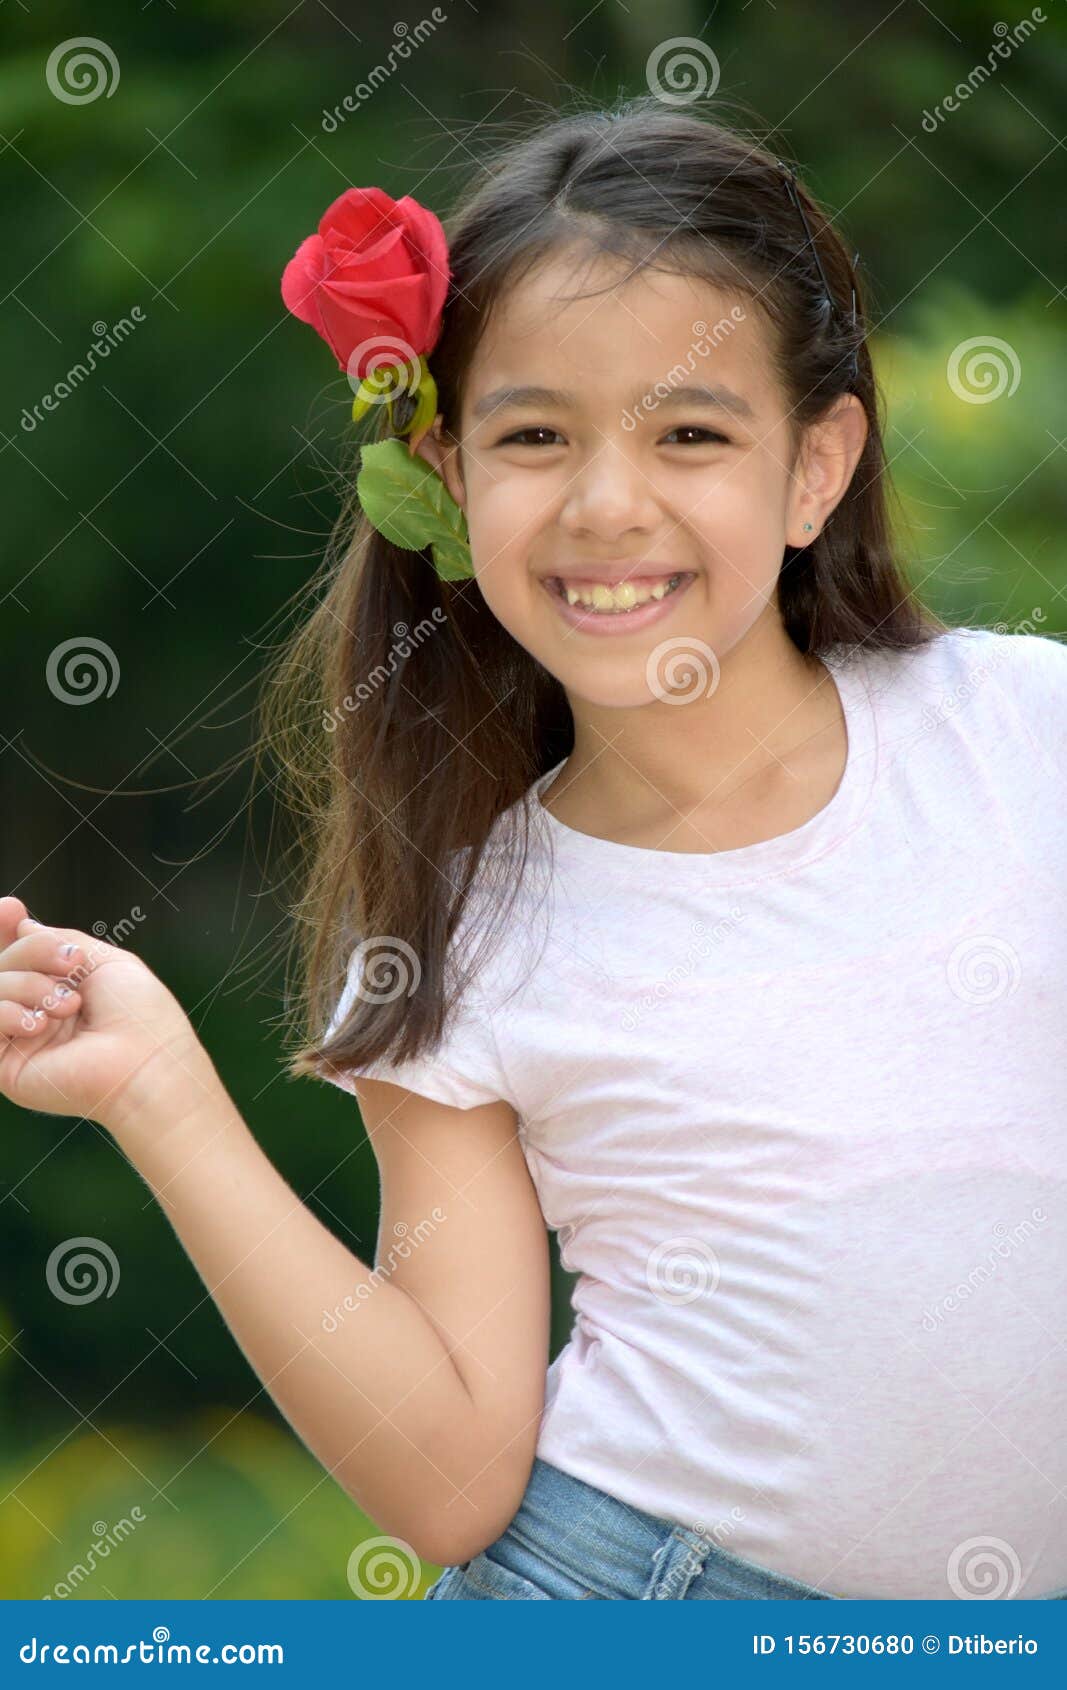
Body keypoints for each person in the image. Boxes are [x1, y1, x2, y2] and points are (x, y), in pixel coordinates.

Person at [1, 96, 1065, 1603]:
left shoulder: (1028, 737)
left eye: (691, 431)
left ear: (817, 466)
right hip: (631, 1601)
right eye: (535, 435)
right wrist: (158, 1092)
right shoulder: (469, 920)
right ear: (444, 472)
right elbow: (449, 1478)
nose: (607, 502)